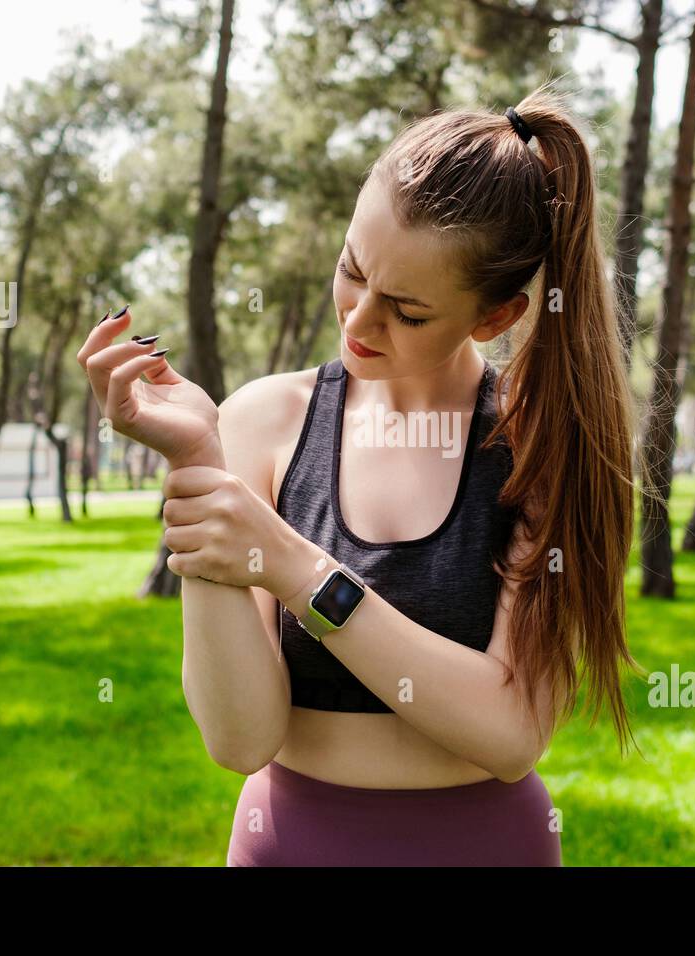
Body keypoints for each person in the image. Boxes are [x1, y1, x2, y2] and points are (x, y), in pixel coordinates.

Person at [76, 85, 642, 866]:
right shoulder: (260, 424)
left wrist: (297, 570)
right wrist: (198, 467)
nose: (358, 321)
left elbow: (512, 734)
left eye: (407, 311)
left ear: (496, 317)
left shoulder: (539, 443)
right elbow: (240, 739)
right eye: (352, 270)